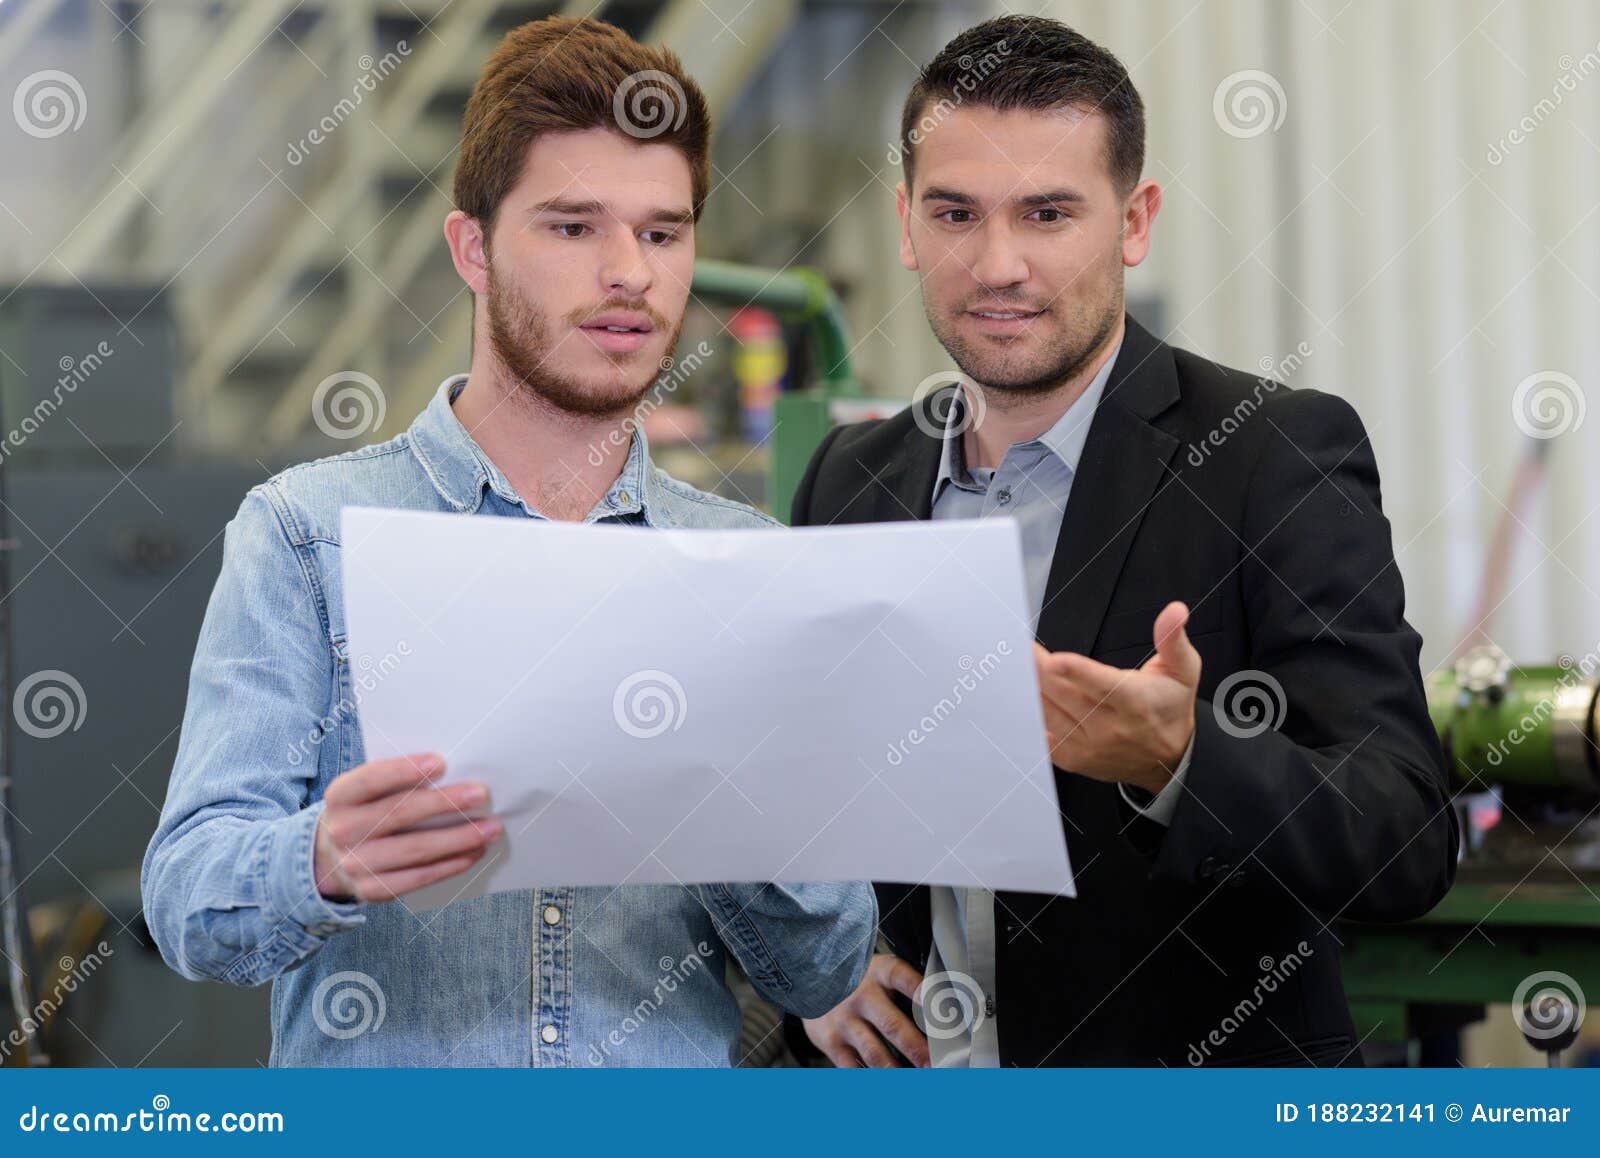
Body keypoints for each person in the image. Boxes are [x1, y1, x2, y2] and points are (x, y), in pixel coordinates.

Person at [142, 15, 874, 1067]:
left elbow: (823, 968)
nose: (628, 273)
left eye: (662, 234)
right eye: (573, 228)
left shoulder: (742, 565)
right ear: (472, 249)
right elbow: (186, 899)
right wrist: (322, 859)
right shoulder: (308, 537)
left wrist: (736, 807)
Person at [794, 14, 1458, 1067]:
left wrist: (1183, 760)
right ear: (906, 226)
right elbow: (801, 788)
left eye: (1048, 213)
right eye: (955, 213)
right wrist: (814, 970)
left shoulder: (1270, 455)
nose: (997, 264)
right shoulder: (851, 480)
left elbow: (1407, 836)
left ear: (1134, 221)